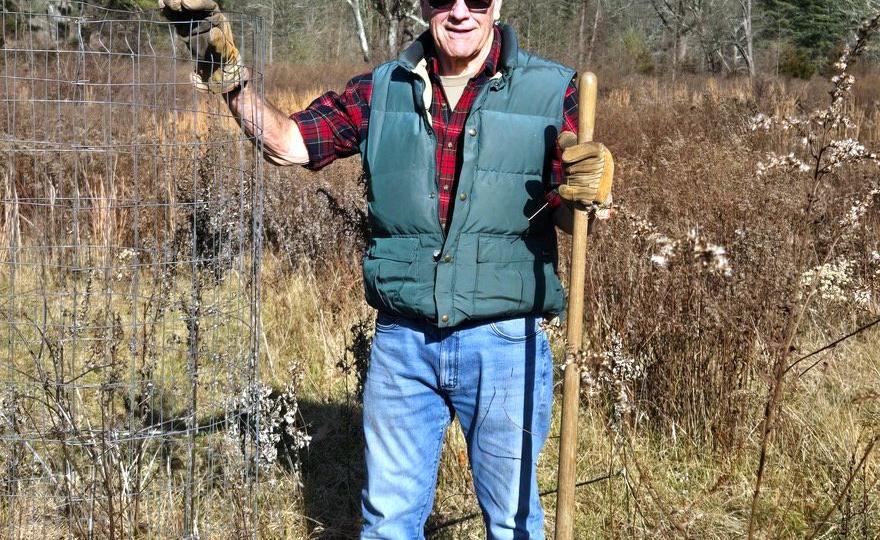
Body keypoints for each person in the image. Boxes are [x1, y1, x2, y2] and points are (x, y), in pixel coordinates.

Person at [160, 0, 614, 538]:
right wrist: (230, 79)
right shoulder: (380, 90)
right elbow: (290, 142)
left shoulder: (553, 89)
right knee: (387, 522)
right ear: (426, 5)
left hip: (506, 344)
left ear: (499, 3)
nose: (462, 12)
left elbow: (574, 216)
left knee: (514, 522)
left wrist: (591, 192)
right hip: (404, 345)